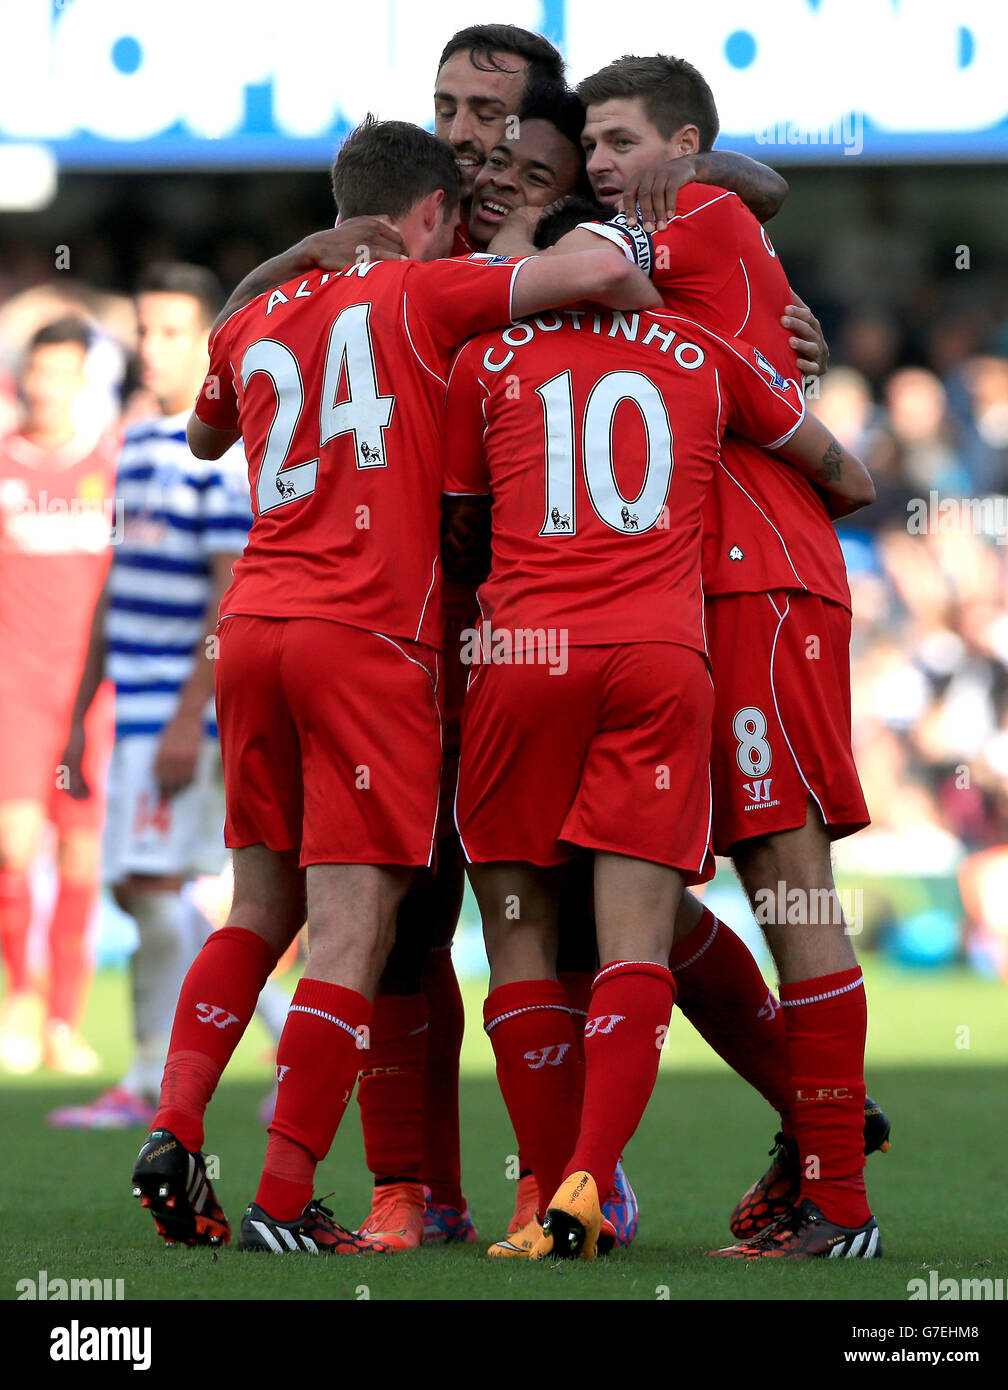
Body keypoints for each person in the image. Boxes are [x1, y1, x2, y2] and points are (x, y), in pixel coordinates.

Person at [129, 115, 661, 1256]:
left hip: (255, 628)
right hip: (366, 639)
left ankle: (174, 1127)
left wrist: (278, 269)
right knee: (352, 932)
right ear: (426, 213)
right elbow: (610, 266)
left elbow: (202, 434)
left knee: (255, 906)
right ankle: (279, 1195)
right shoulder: (427, 293)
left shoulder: (260, 314)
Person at [507, 53, 888, 1257]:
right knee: (648, 902)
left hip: (754, 572)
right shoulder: (684, 243)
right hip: (678, 589)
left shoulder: (694, 215)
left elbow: (737, 189)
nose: (604, 166)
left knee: (787, 869)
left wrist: (693, 174)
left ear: (678, 146)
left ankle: (840, 1201)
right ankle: (818, 1124)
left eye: (622, 142)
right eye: (595, 147)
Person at [52, 265, 288, 1131]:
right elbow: (115, 585)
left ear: (207, 343)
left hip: (181, 711)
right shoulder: (138, 444)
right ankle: (267, 1040)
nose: (151, 349)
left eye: (170, 333)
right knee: (145, 889)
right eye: (143, 331)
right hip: (136, 707)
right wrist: (81, 714)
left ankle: (153, 1073)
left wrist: (195, 714)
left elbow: (232, 592)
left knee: (151, 885)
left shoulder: (215, 454)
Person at [0, 317, 117, 1076]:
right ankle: (18, 1000)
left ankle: (65, 1024)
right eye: (39, 371)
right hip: (14, 689)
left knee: (80, 859)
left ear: (84, 379)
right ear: (22, 377)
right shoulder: (3, 462)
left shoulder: (110, 466)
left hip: (94, 697)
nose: (49, 386)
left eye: (64, 372)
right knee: (13, 849)